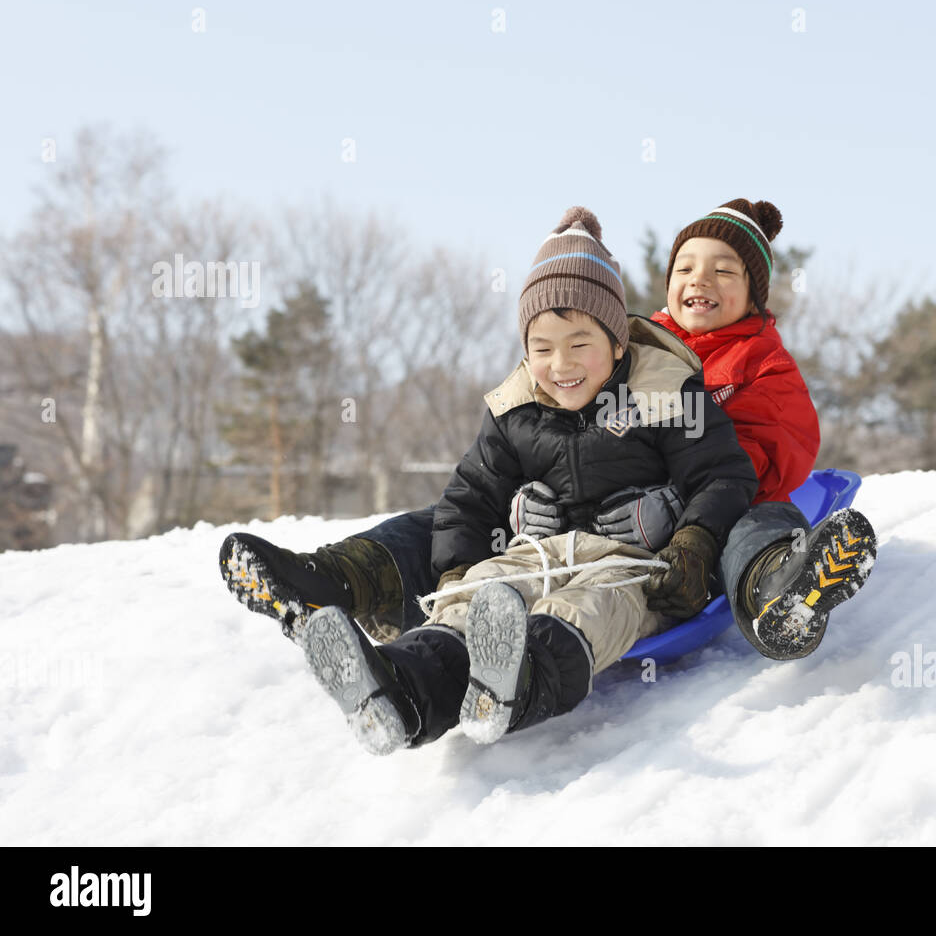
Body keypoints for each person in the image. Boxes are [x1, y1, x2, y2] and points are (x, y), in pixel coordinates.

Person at [227, 208, 758, 753]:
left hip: (626, 564)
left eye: (580, 345)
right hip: (535, 553)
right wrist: (460, 569)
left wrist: (690, 540)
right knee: (476, 602)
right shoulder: (516, 408)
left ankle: (517, 687)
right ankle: (399, 695)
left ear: (619, 343)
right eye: (542, 349)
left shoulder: (664, 393)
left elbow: (722, 476)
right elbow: (468, 496)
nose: (561, 364)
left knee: (588, 609)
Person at [516, 199, 876, 659]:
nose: (700, 279)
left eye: (724, 272)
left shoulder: (762, 362)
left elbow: (771, 446)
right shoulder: (634, 350)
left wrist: (690, 494)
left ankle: (782, 588)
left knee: (759, 526)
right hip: (625, 516)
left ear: (753, 296)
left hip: (725, 508)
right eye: (684, 268)